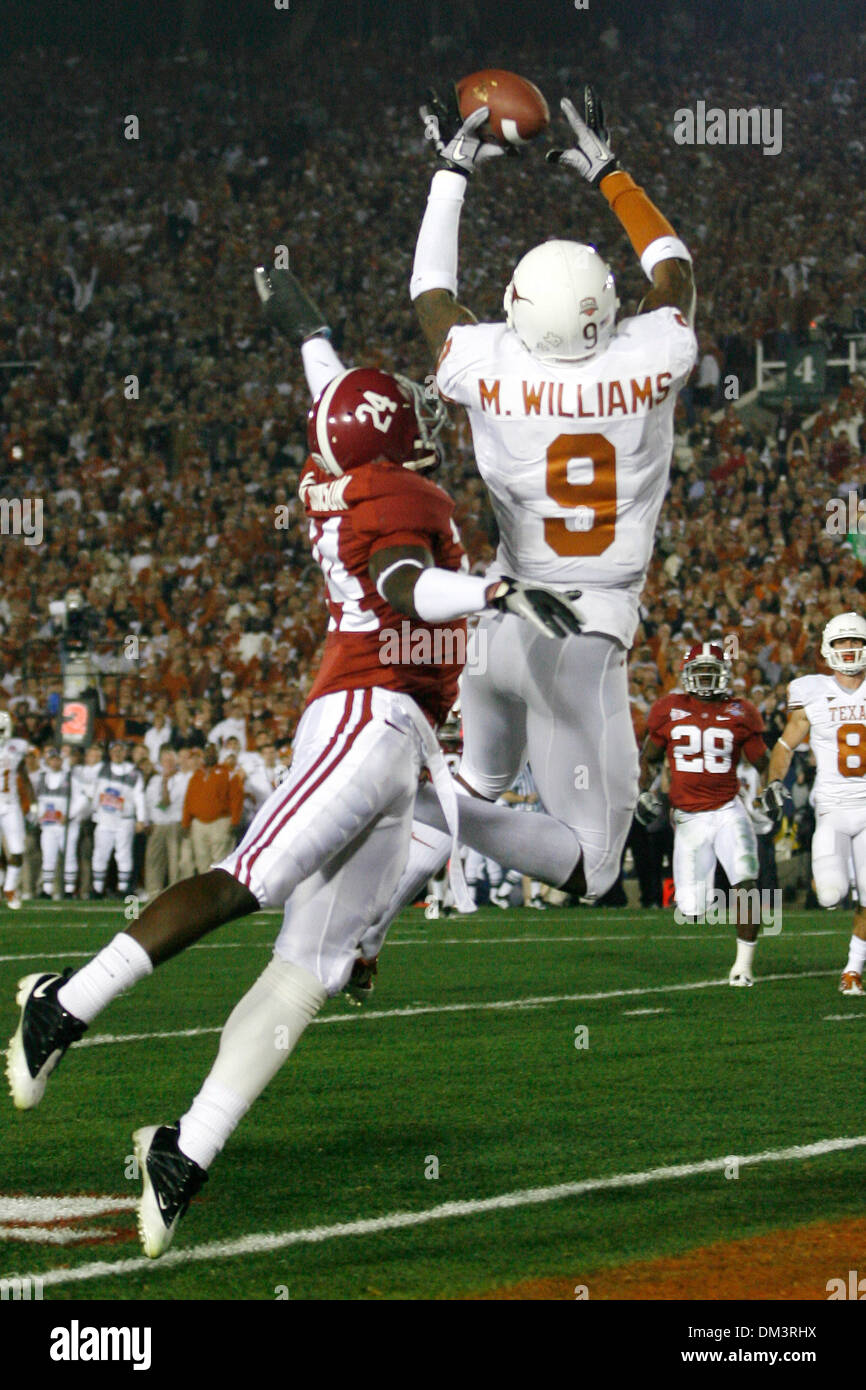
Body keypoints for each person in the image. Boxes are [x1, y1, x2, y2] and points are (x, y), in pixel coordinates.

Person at [6, 265, 582, 1260]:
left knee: (309, 969)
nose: (416, 417)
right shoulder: (398, 490)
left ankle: (185, 1149)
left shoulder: (341, 463)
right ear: (387, 438)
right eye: (403, 411)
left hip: (396, 732)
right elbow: (406, 584)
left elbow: (327, 382)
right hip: (364, 710)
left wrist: (297, 311)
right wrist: (491, 593)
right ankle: (65, 1004)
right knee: (253, 879)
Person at [354, 85, 698, 957]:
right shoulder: (653, 354)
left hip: (497, 619)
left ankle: (365, 929)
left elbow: (431, 287)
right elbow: (675, 271)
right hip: (583, 640)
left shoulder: (487, 361)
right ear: (606, 309)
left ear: (513, 308)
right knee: (593, 867)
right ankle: (424, 802)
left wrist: (454, 166)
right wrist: (605, 168)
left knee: (480, 775)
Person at [636, 643, 770, 986]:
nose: (707, 678)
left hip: (728, 809)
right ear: (687, 673)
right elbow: (650, 757)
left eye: (713, 670)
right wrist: (643, 792)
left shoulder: (741, 711)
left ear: (724, 674)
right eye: (701, 670)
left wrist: (771, 789)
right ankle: (702, 900)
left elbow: (763, 762)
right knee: (692, 908)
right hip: (688, 818)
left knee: (746, 878)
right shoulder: (668, 709)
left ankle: (743, 965)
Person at [763, 612, 866, 994]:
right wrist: (774, 782)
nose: (850, 648)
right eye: (843, 642)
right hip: (831, 808)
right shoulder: (810, 690)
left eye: (856, 641)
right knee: (831, 894)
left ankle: (852, 970)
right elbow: (786, 743)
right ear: (828, 648)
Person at [0, 711, 34, 909]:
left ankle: (10, 888)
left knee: (18, 850)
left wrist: (33, 805)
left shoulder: (17, 747)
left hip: (11, 804)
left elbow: (25, 777)